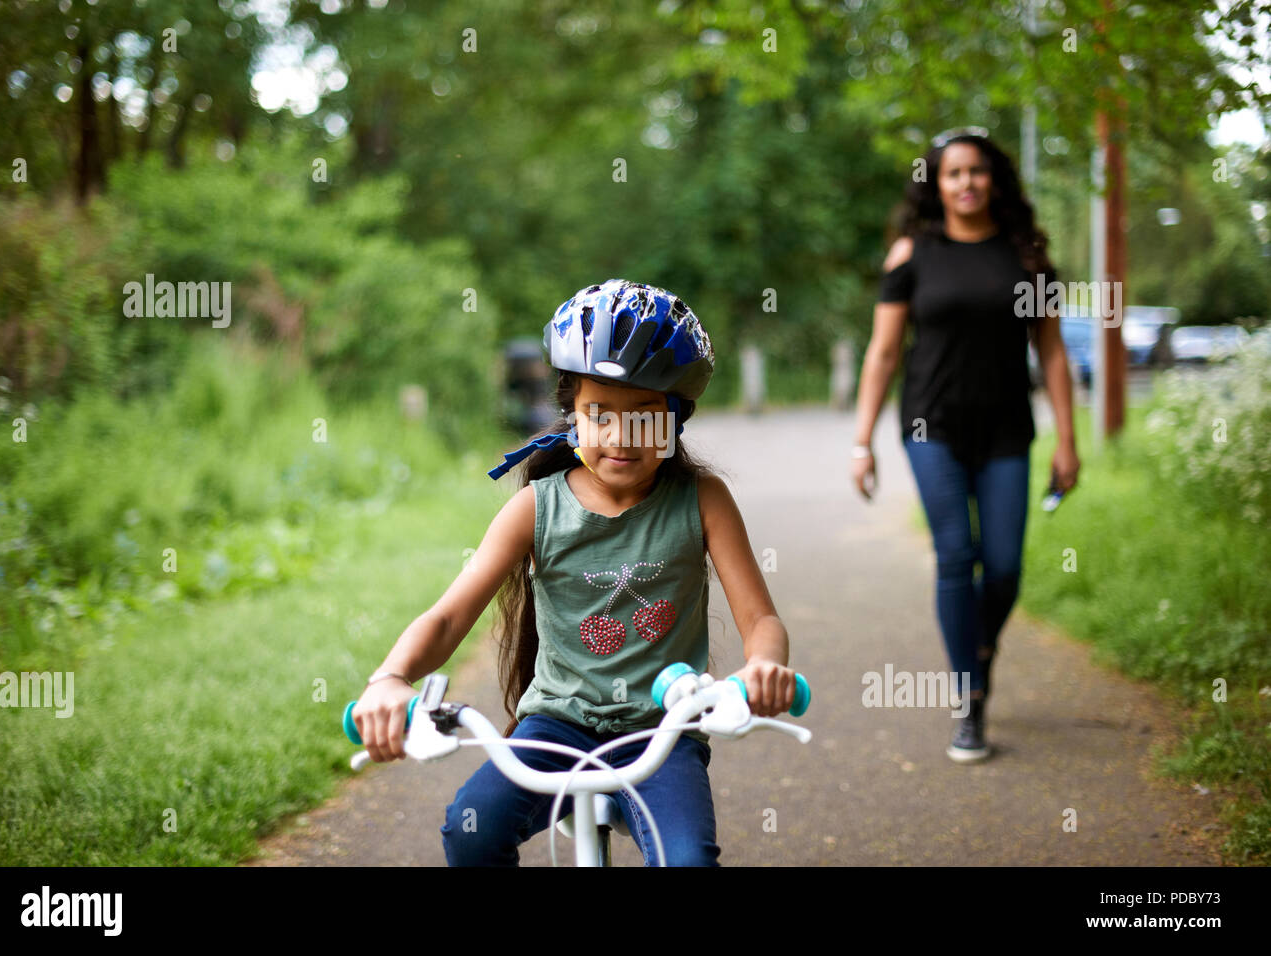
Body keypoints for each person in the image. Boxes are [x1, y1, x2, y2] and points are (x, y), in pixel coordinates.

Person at [351, 278, 798, 865]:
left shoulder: (702, 498)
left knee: (686, 859)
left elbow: (760, 618)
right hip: (556, 729)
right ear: (570, 415)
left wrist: (763, 667)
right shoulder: (537, 508)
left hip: (663, 734)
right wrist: (389, 678)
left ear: (676, 419)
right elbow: (448, 616)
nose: (619, 435)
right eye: (599, 413)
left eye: (644, 417)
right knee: (472, 831)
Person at [849, 129, 1080, 763]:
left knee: (1003, 565)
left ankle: (980, 646)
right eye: (954, 174)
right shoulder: (912, 254)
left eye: (978, 172)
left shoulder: (1025, 255)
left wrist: (1068, 439)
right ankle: (968, 701)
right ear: (937, 183)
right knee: (959, 555)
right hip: (932, 426)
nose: (967, 183)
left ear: (995, 180)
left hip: (1007, 428)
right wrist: (861, 440)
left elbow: (1053, 353)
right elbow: (885, 350)